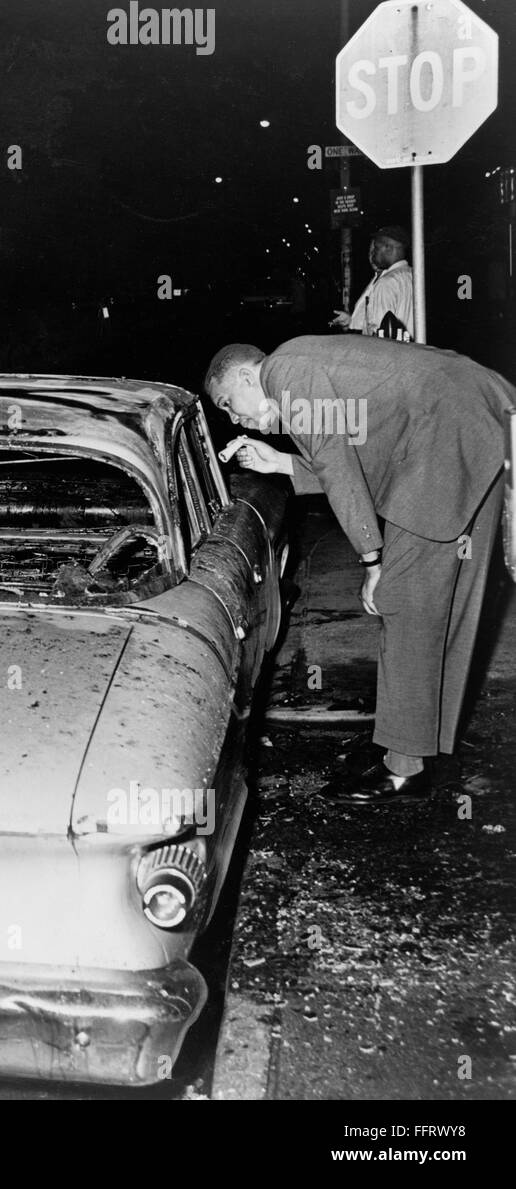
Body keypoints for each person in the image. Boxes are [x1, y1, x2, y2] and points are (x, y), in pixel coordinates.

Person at [204, 335, 514, 805]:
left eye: (230, 404)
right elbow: (354, 453)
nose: (234, 419)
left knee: (403, 604)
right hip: (480, 423)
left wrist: (373, 560)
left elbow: (339, 467)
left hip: (446, 441)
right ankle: (425, 748)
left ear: (250, 376)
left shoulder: (286, 373)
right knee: (445, 608)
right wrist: (283, 462)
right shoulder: (304, 362)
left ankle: (403, 771)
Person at [329, 226, 414, 339]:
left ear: (388, 248)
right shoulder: (414, 275)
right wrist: (352, 321)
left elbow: (379, 335)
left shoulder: (386, 283)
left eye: (376, 248)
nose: (373, 254)